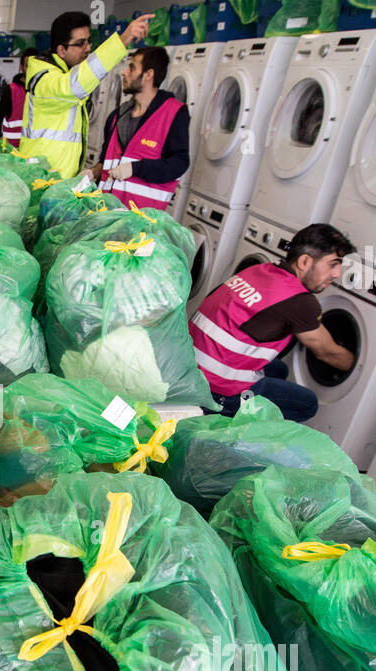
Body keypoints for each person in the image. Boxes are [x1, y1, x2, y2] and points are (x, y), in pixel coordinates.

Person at [189, 223, 357, 422]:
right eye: (333, 264)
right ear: (304, 261)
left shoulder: (260, 270)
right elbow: (328, 353)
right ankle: (224, 419)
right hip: (215, 391)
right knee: (307, 403)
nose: (337, 274)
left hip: (188, 367)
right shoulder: (300, 302)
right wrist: (365, 369)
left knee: (279, 369)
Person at [18, 11, 155, 178]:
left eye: (89, 41)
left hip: (57, 182)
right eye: (81, 43)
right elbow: (75, 84)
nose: (88, 48)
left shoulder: (64, 74)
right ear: (61, 50)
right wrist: (122, 40)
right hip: (41, 181)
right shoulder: (45, 81)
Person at [92, 45, 189, 212]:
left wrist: (136, 168)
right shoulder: (116, 116)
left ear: (148, 75)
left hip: (141, 222)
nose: (124, 73)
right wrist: (92, 173)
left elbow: (179, 163)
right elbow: (105, 160)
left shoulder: (174, 114)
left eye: (132, 68)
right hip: (105, 215)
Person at [0, 49, 36, 147]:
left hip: (34, 149)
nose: (31, 70)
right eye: (27, 65)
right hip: (12, 150)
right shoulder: (10, 90)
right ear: (21, 67)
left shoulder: (44, 91)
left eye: (35, 66)